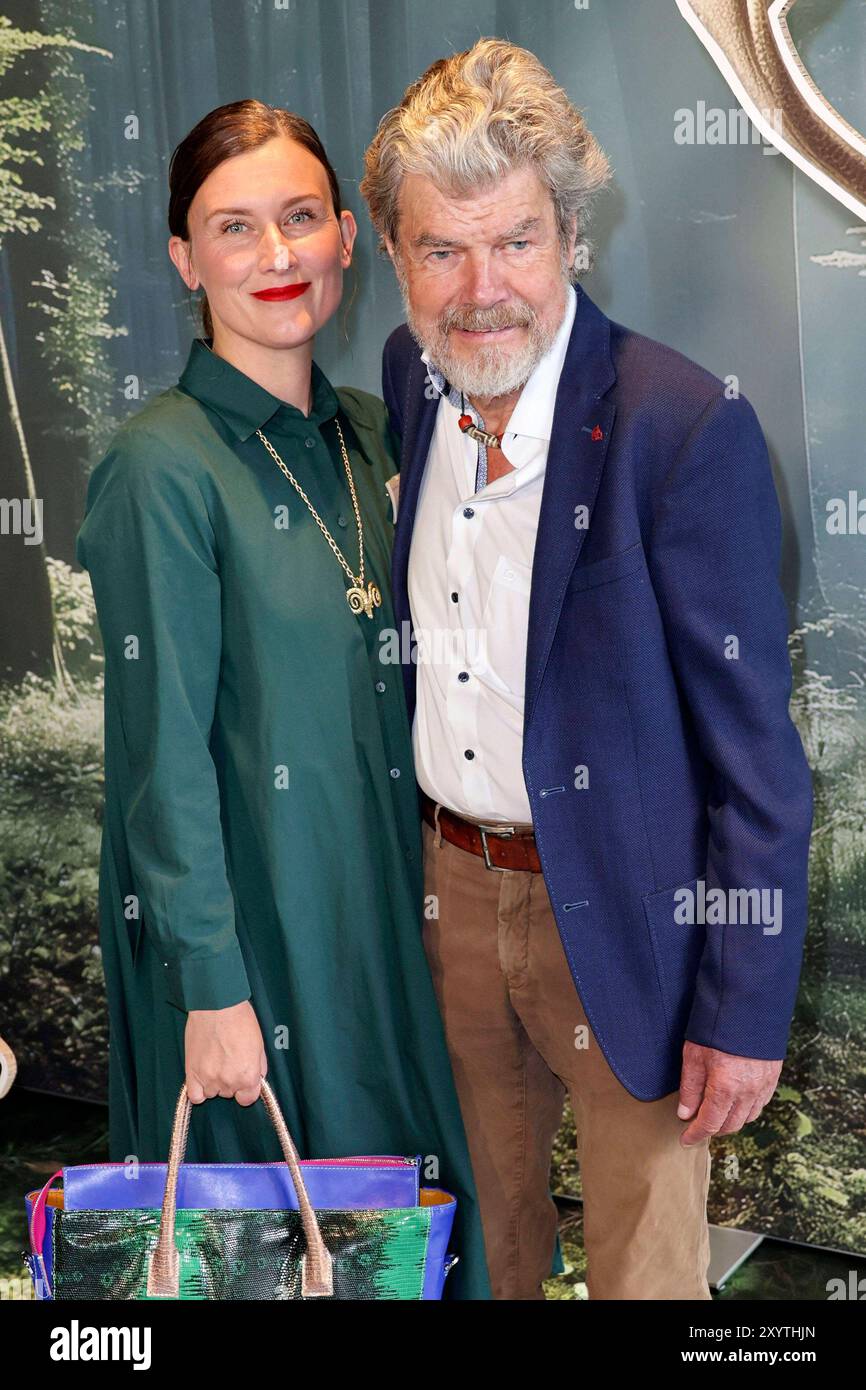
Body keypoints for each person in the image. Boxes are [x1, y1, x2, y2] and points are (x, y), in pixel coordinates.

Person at [360, 39, 814, 1299]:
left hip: (626, 908)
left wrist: (739, 1010)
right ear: (392, 255)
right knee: (488, 1238)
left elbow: (756, 764)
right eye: (439, 249)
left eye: (511, 240)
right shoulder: (411, 376)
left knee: (642, 1272)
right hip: (451, 887)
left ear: (568, 233)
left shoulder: (680, 426)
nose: (478, 288)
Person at [75, 99, 491, 1300]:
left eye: (300, 218)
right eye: (233, 227)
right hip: (252, 938)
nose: (274, 256)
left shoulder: (374, 434)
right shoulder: (160, 464)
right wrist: (212, 990)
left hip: (380, 934)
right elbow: (162, 762)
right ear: (182, 258)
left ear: (347, 239)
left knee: (395, 1250)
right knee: (265, 1258)